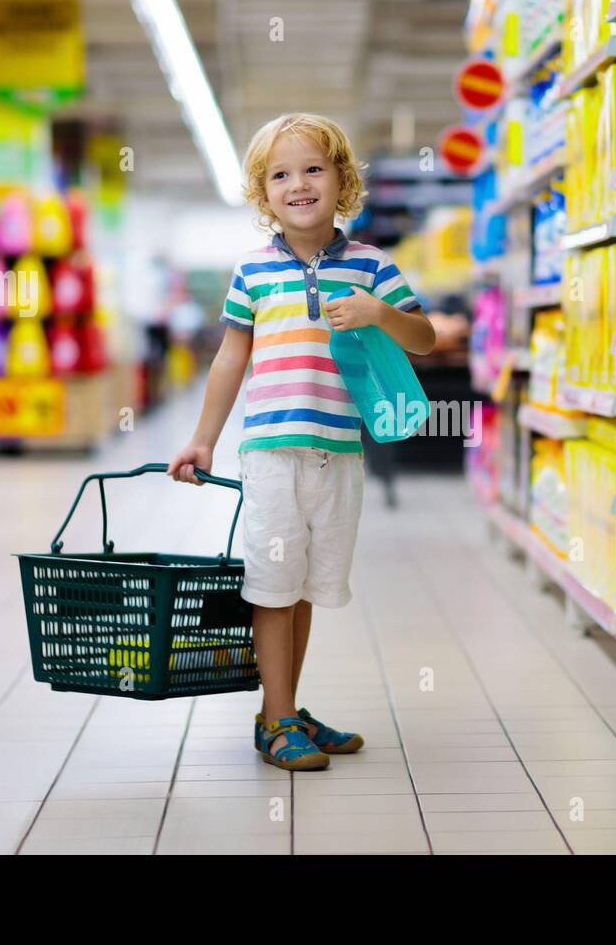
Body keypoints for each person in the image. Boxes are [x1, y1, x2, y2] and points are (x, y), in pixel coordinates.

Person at [168, 113, 436, 770]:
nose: (299, 183)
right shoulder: (253, 273)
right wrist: (203, 439)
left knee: (309, 585)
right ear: (264, 196)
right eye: (280, 175)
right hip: (271, 451)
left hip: (340, 450)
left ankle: (280, 710)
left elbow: (426, 338)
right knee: (271, 583)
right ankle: (278, 717)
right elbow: (231, 357)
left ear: (343, 180)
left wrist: (380, 313)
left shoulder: (374, 267)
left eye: (314, 168)